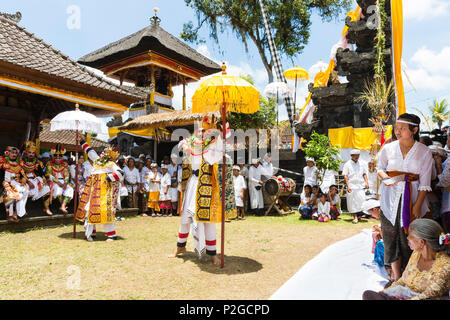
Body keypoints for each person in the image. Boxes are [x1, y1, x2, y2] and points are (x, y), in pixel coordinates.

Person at [169, 115, 234, 265]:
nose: (203, 127)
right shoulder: (193, 139)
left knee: (207, 220)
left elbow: (214, 156)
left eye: (207, 124)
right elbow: (181, 143)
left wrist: (223, 128)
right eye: (202, 123)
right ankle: (180, 247)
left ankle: (212, 254)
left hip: (205, 184)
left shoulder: (214, 142)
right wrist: (184, 146)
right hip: (192, 183)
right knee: (185, 217)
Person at [377, 113, 433, 282]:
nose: (397, 131)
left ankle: (409, 275)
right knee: (389, 234)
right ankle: (396, 276)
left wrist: (417, 205)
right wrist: (385, 178)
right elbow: (380, 168)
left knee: (408, 237)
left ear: (414, 130)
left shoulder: (424, 152)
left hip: (412, 199)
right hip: (389, 198)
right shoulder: (388, 148)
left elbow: (425, 182)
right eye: (396, 128)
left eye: (402, 128)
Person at [363, 219, 450, 300]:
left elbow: (429, 295)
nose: (407, 238)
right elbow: (403, 279)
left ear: (421, 242)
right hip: (406, 296)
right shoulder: (416, 254)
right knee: (368, 295)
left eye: (410, 236)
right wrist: (386, 292)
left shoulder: (445, 265)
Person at [76, 140, 124, 242]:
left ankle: (111, 235)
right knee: (90, 209)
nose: (102, 154)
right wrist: (82, 141)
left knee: (106, 212)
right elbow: (90, 152)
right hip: (93, 191)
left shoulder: (111, 164)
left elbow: (121, 173)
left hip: (105, 192)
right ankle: (92, 232)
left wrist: (109, 178)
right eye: (102, 153)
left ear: (109, 156)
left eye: (104, 153)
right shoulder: (97, 161)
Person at [22, 141, 52, 216]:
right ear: (26, 153)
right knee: (23, 191)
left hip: (35, 180)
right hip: (24, 180)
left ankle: (47, 208)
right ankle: (22, 209)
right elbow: (20, 173)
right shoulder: (21, 162)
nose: (31, 154)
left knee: (46, 189)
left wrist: (43, 177)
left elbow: (41, 172)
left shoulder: (37, 162)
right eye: (29, 152)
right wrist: (28, 182)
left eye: (33, 153)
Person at [1, 146, 28, 222]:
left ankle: (17, 213)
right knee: (12, 195)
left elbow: (23, 174)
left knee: (25, 191)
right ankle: (11, 215)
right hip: (5, 183)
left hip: (16, 183)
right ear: (7, 153)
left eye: (16, 153)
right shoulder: (3, 162)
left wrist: (23, 179)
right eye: (12, 153)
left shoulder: (19, 164)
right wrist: (6, 185)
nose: (14, 155)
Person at [343, 149, 369, 224]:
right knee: (353, 202)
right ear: (351, 156)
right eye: (355, 155)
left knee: (361, 200)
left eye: (358, 155)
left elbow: (364, 173)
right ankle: (355, 217)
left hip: (360, 185)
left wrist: (366, 182)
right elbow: (345, 176)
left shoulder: (361, 164)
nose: (357, 157)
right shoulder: (347, 164)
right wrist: (348, 186)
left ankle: (359, 215)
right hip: (352, 185)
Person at [45, 144, 73, 215]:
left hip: (63, 181)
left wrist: (66, 183)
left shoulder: (65, 165)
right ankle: (62, 205)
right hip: (54, 182)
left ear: (62, 157)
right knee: (58, 190)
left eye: (59, 157)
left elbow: (67, 174)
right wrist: (58, 182)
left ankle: (63, 206)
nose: (58, 158)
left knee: (70, 189)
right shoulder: (49, 164)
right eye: (56, 157)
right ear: (53, 157)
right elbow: (48, 175)